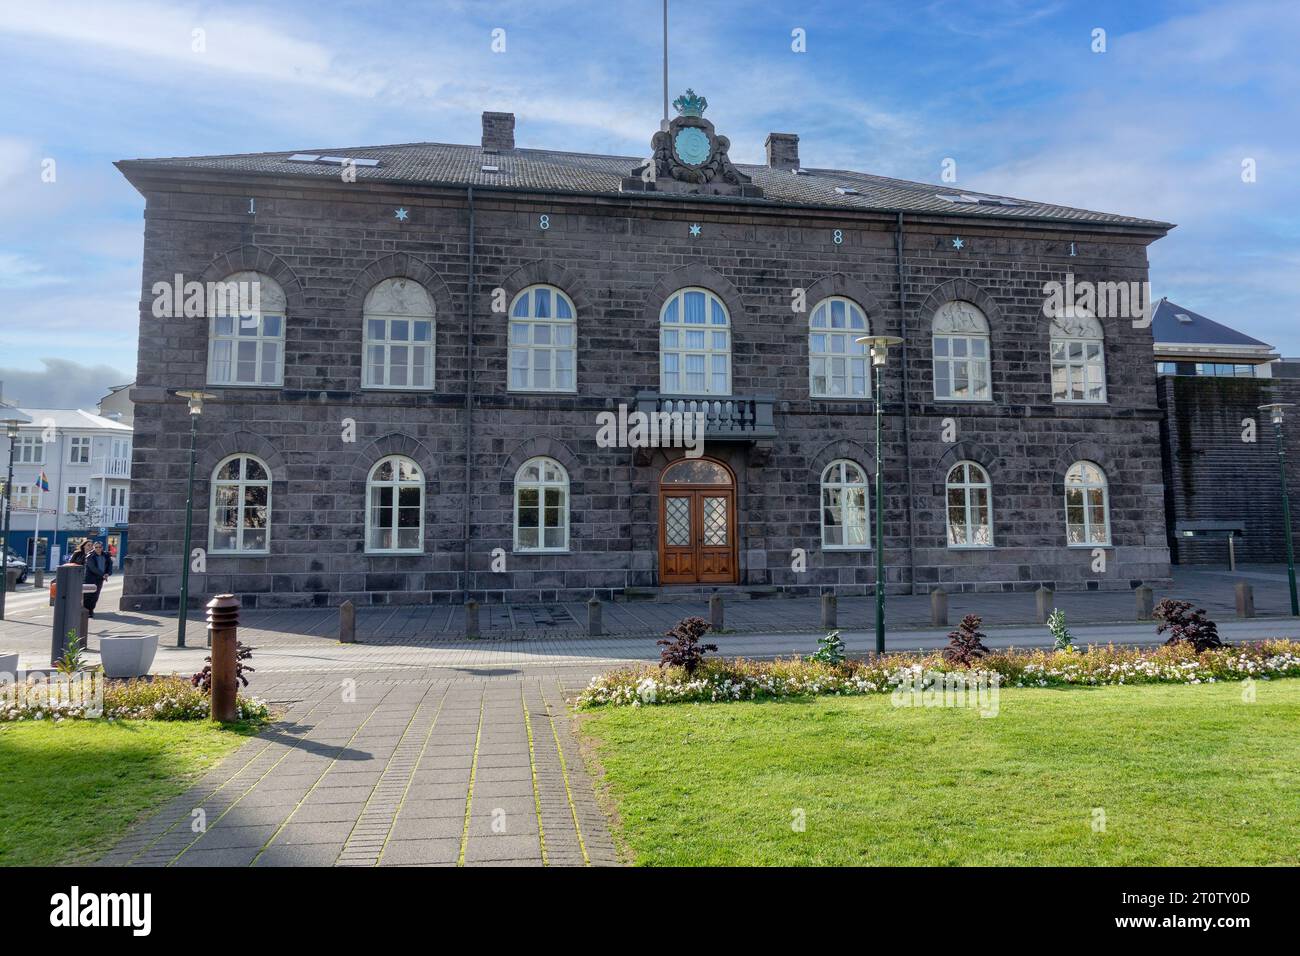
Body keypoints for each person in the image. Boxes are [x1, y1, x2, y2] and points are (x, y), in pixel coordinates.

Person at [83, 541, 112, 617]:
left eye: (100, 547)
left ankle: (91, 610)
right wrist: (103, 575)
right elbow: (93, 568)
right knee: (88, 595)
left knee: (96, 596)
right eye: (96, 547)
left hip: (100, 579)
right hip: (90, 579)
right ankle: (87, 611)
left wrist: (108, 573)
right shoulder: (90, 556)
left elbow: (109, 565)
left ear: (102, 547)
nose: (98, 549)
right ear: (94, 548)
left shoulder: (106, 555)